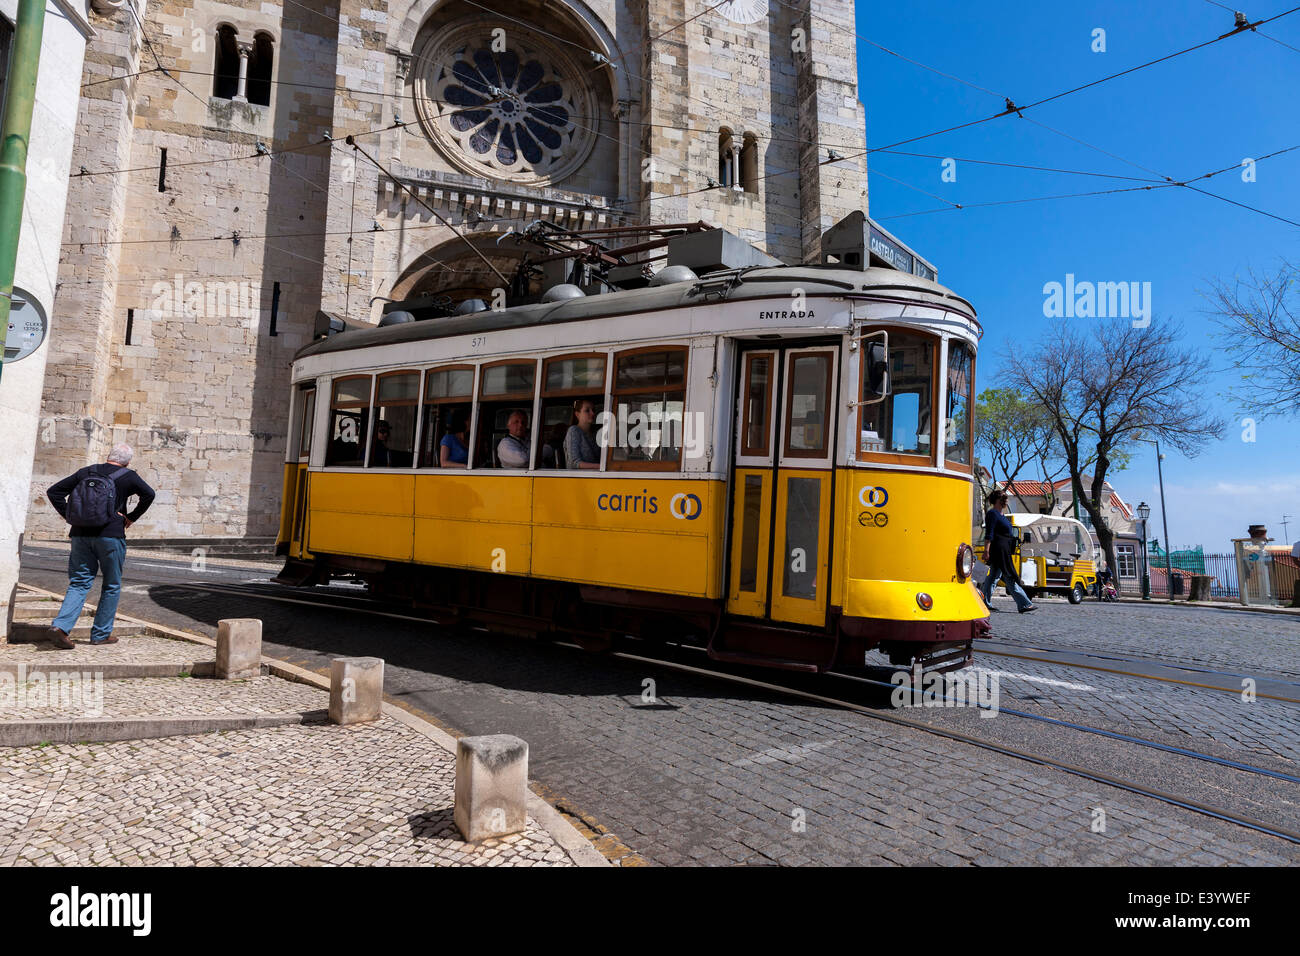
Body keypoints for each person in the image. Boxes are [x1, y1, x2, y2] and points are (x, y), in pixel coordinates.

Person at [45, 443, 156, 648]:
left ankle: (60, 626)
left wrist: (70, 516)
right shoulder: (129, 476)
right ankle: (100, 634)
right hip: (110, 535)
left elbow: (54, 492)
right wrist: (130, 518)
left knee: (79, 582)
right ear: (127, 461)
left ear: (108, 456)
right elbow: (149, 494)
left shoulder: (86, 472)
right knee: (111, 585)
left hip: (80, 535)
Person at [980, 489, 1036, 614]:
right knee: (1009, 575)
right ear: (996, 500)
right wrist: (986, 551)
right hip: (999, 551)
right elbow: (989, 534)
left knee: (993, 577)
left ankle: (983, 602)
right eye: (1003, 499)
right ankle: (1024, 604)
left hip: (1004, 550)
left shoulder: (1002, 515)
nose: (1005, 501)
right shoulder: (992, 514)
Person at [565, 399, 601, 470]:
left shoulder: (595, 434)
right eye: (587, 410)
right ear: (577, 414)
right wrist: (601, 466)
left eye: (593, 410)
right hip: (577, 478)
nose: (592, 413)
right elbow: (574, 463)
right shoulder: (574, 431)